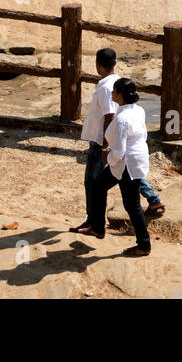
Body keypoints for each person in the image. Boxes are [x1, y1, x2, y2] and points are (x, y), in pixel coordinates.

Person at [90, 78, 152, 256]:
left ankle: (144, 245)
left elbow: (119, 151)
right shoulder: (137, 110)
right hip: (135, 159)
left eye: (114, 91)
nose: (111, 93)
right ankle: (98, 227)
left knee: (132, 205)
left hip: (126, 164)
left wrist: (106, 156)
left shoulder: (122, 119)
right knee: (99, 185)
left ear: (120, 95)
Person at [70, 48, 120, 239]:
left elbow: (109, 115)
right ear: (115, 63)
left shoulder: (106, 88)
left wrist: (105, 146)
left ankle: (93, 221)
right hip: (109, 140)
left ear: (98, 66)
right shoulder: (116, 82)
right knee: (125, 175)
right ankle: (153, 198)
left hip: (101, 141)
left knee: (93, 182)